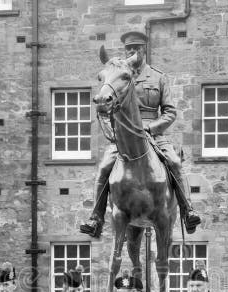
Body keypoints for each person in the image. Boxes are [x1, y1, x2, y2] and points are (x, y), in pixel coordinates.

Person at [80, 30, 200, 239]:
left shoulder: (158, 77)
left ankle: (187, 210)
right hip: (125, 136)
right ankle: (96, 217)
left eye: (136, 48)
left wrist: (151, 128)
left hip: (154, 133)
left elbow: (170, 112)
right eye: (129, 48)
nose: (132, 51)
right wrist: (112, 130)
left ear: (144, 50)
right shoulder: (116, 74)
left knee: (175, 162)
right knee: (104, 168)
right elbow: (108, 106)